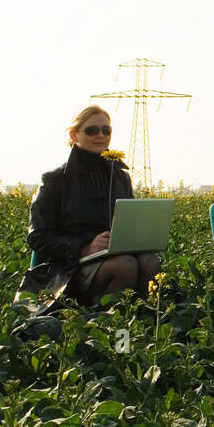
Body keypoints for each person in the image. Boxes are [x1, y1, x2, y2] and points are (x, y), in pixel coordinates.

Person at [25, 105, 161, 307]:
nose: (100, 135)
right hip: (69, 269)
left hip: (116, 256)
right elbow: (38, 237)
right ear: (74, 135)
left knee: (150, 261)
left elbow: (129, 222)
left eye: (106, 130)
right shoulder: (55, 180)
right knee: (125, 266)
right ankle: (107, 327)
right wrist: (85, 246)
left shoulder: (120, 177)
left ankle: (144, 325)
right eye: (91, 130)